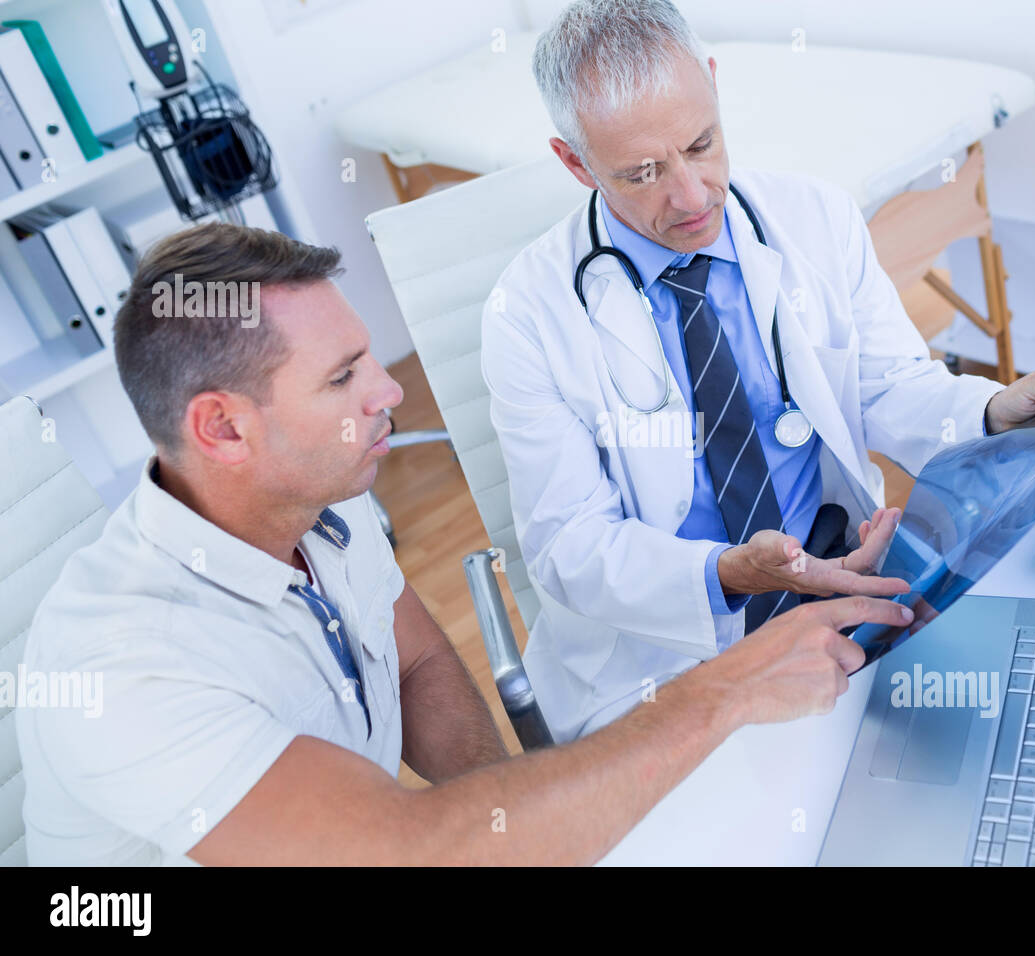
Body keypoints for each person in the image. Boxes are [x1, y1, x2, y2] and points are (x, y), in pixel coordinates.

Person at [15, 222, 906, 865]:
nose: (390, 393)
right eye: (342, 377)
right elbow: (403, 853)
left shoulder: (314, 502)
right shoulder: (124, 669)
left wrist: (499, 828)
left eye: (367, 357)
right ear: (223, 431)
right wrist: (723, 692)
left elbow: (417, 667)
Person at [480, 0, 1035, 741]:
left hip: (842, 571)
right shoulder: (527, 313)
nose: (691, 194)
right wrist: (731, 572)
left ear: (712, 86)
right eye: (643, 173)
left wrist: (997, 412)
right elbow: (569, 547)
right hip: (667, 652)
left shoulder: (815, 220)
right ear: (575, 163)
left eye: (701, 144)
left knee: (1006, 724)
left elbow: (892, 387)